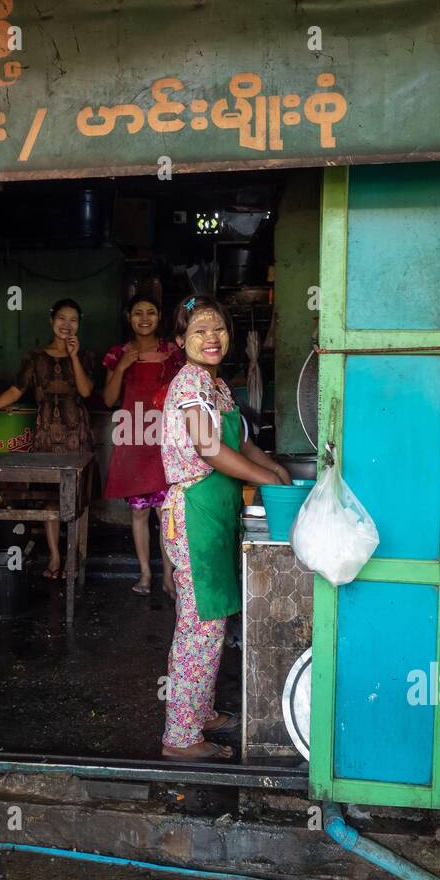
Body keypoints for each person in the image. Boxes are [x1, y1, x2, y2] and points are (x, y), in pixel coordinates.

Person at [159, 295, 290, 762]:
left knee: (213, 619)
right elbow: (212, 450)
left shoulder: (218, 387)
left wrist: (276, 471)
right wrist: (266, 479)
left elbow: (245, 444)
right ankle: (180, 735)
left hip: (215, 514)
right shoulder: (189, 385)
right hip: (195, 512)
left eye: (218, 329)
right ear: (181, 341)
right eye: (199, 330)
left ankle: (200, 710)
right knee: (200, 625)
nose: (211, 337)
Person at [0, 299, 96, 579]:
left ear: (79, 324)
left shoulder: (86, 355)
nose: (67, 325)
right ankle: (55, 556)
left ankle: (72, 557)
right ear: (51, 320)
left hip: (75, 435)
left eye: (73, 320)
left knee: (76, 498)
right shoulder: (34, 357)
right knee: (49, 498)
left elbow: (86, 391)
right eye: (62, 318)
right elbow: (17, 390)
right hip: (45, 436)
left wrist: (74, 356)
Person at [102, 292, 183, 598]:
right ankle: (146, 574)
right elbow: (109, 399)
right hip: (133, 437)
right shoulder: (117, 353)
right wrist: (122, 367)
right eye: (138, 312)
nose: (144, 318)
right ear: (129, 317)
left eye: (150, 312)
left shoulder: (172, 351)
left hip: (164, 438)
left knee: (166, 513)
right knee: (138, 514)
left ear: (159, 316)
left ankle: (169, 577)